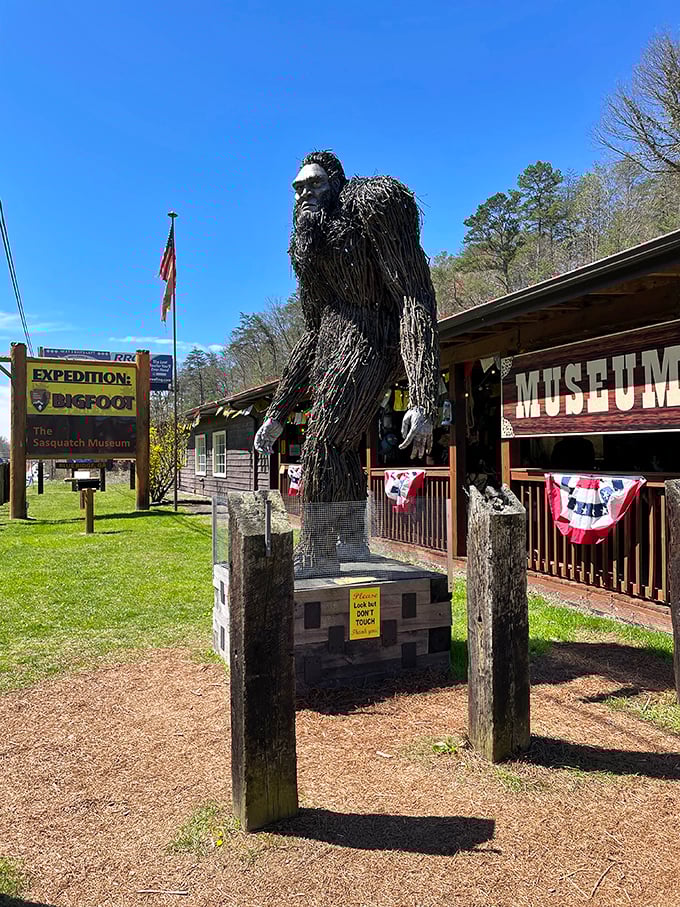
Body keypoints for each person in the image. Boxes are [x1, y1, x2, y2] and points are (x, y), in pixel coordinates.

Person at [254, 151, 440, 570]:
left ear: (336, 180)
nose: (305, 194)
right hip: (334, 344)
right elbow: (314, 331)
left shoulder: (375, 201)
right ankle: (353, 543)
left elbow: (414, 296)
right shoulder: (307, 241)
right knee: (338, 445)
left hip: (378, 336)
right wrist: (278, 411)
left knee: (322, 441)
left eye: (314, 184)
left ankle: (317, 552)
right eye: (298, 188)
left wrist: (422, 395)